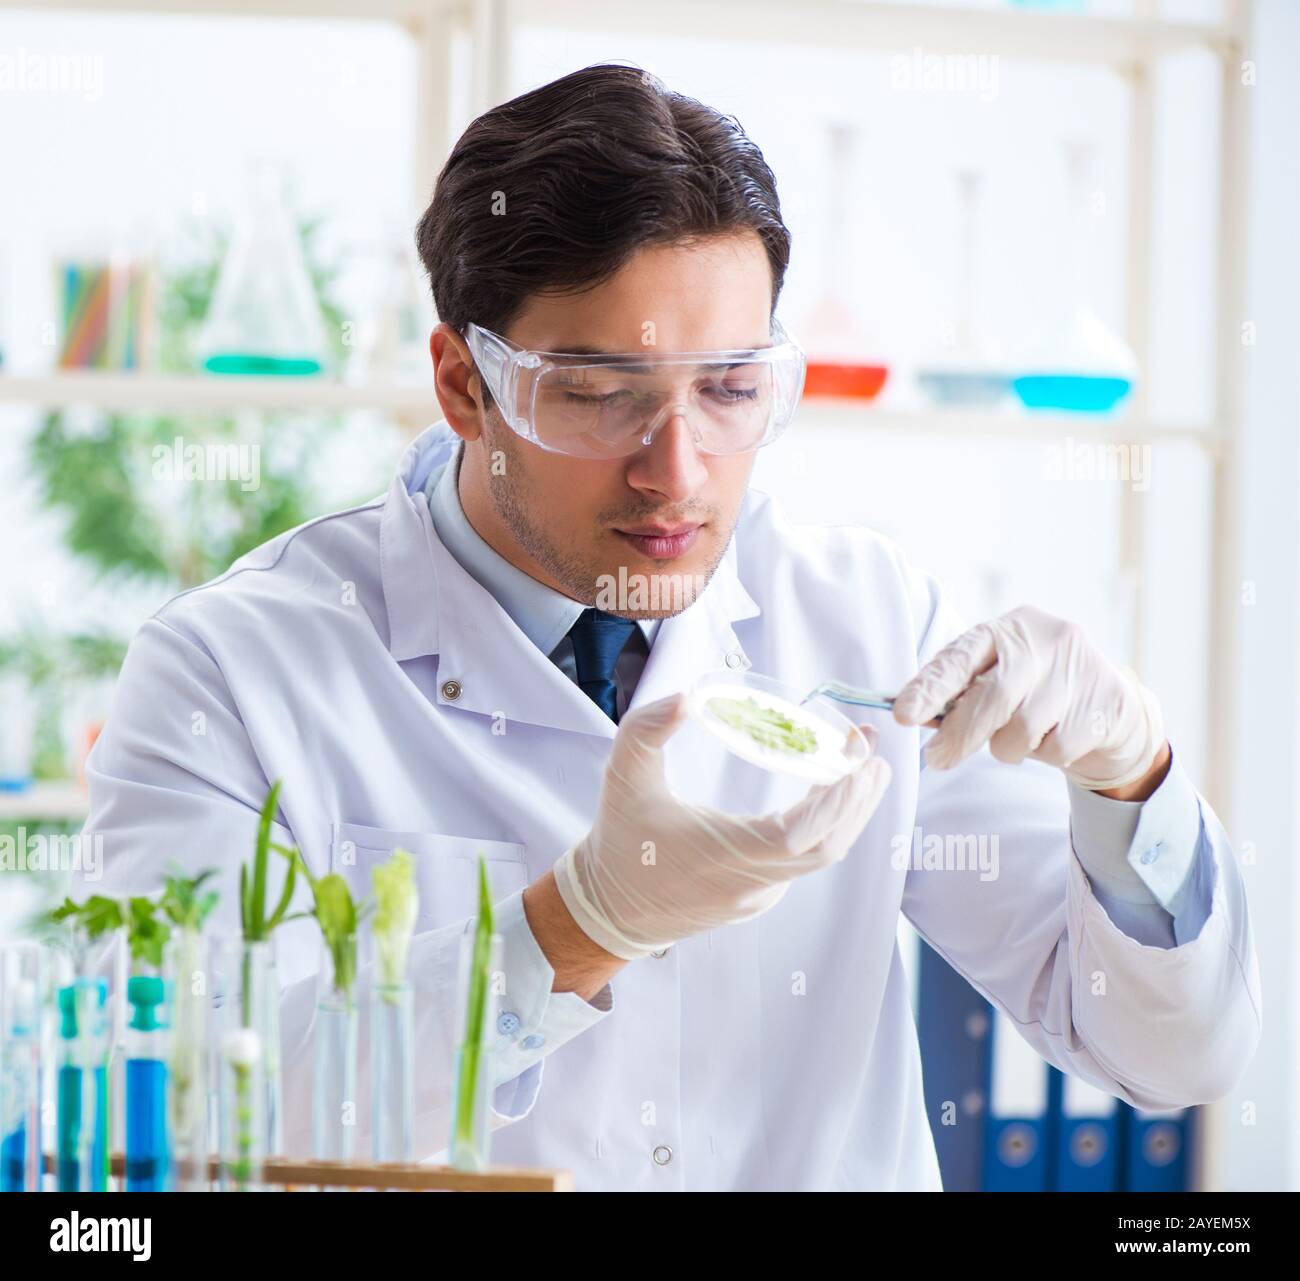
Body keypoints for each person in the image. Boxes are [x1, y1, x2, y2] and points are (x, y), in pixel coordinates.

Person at [78, 64, 1259, 1191]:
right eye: (599, 395)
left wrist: (1129, 783)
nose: (678, 471)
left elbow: (1170, 1061)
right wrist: (570, 930)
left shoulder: (866, 619)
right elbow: (191, 1128)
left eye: (733, 390)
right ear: (462, 384)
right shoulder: (230, 671)